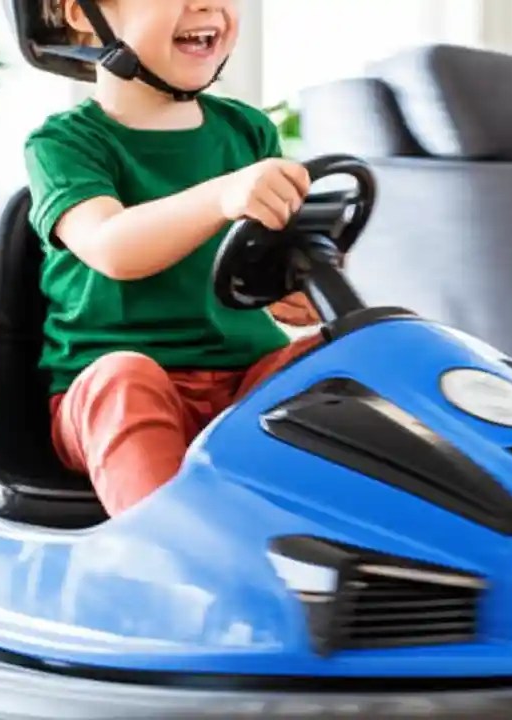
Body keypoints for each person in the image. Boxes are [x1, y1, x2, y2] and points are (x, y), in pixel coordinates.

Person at [24, 0, 321, 517]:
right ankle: (169, 557)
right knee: (124, 380)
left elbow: (268, 271)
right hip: (112, 397)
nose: (206, 5)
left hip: (243, 385)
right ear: (80, 13)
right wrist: (223, 196)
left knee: (335, 358)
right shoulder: (65, 143)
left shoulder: (247, 132)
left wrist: (295, 288)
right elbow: (113, 247)